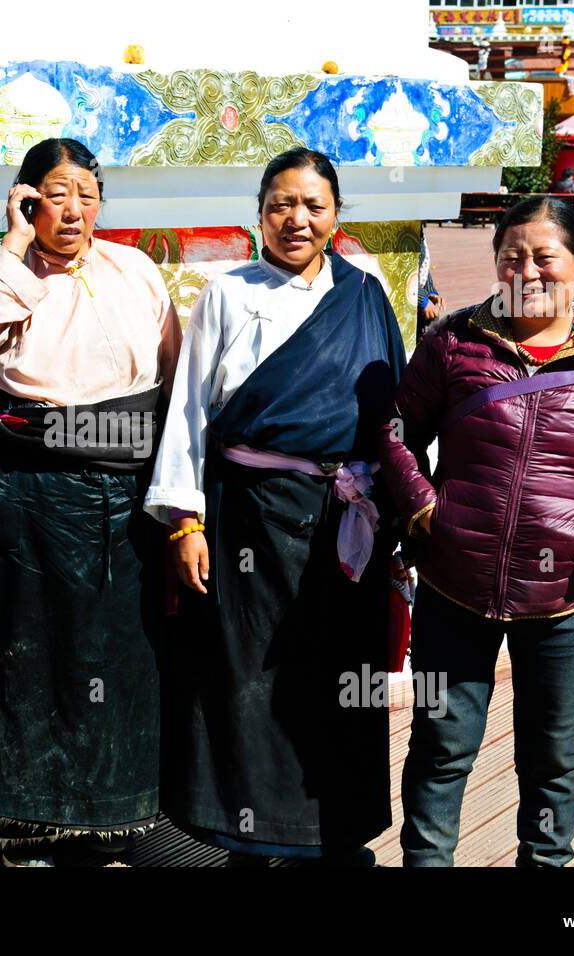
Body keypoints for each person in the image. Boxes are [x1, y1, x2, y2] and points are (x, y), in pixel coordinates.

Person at [379, 197, 574, 867]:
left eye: (545, 257)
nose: (528, 270)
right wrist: (426, 512)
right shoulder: (454, 343)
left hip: (566, 599)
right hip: (455, 588)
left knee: (551, 754)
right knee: (440, 746)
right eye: (511, 256)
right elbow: (396, 433)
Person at [144, 148, 406, 866]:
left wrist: (404, 512)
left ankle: (335, 831)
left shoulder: (365, 295)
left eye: (313, 205)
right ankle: (250, 836)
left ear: (337, 215)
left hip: (345, 519)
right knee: (250, 678)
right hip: (249, 517)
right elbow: (190, 411)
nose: (297, 220)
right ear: (259, 213)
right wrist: (185, 521)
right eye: (280, 205)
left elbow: (395, 417)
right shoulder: (228, 293)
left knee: (337, 678)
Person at [0, 137, 182, 866]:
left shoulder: (134, 270)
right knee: (25, 659)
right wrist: (14, 244)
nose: (71, 207)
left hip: (124, 493)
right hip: (25, 493)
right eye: (53, 192)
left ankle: (116, 818)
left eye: (85, 191)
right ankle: (21, 828)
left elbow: (173, 380)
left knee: (115, 656)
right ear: (26, 199)